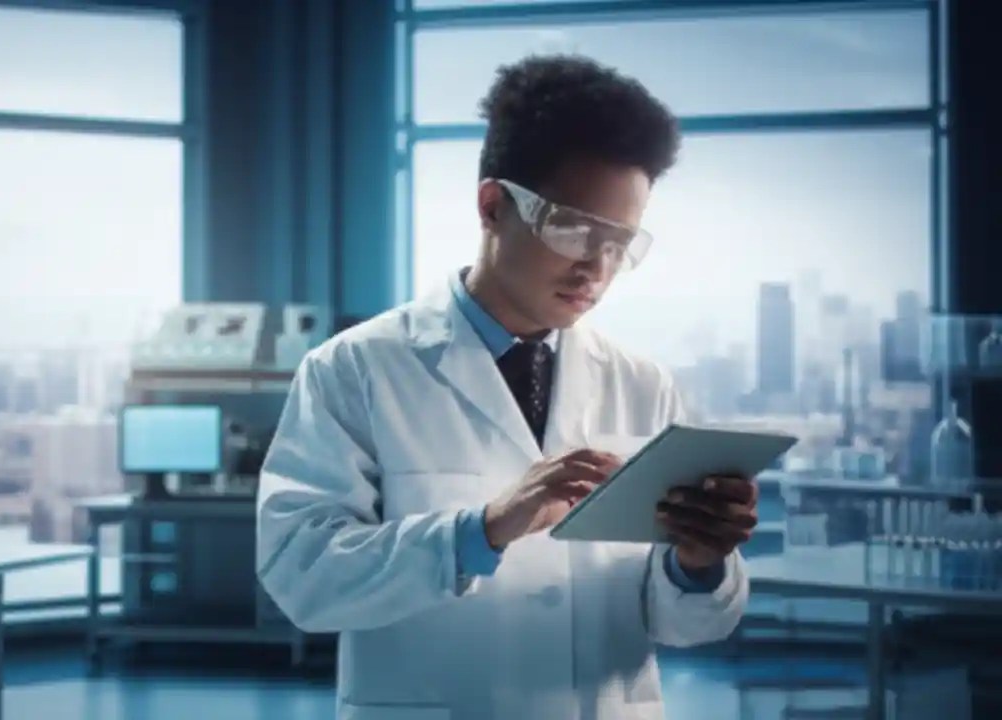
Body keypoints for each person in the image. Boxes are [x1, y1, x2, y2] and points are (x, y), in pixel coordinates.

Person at [256, 54, 758, 720]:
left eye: (620, 242)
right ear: (493, 206)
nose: (597, 267)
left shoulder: (642, 384)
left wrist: (697, 563)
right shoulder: (354, 369)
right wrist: (482, 531)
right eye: (574, 229)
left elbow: (683, 626)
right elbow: (304, 578)